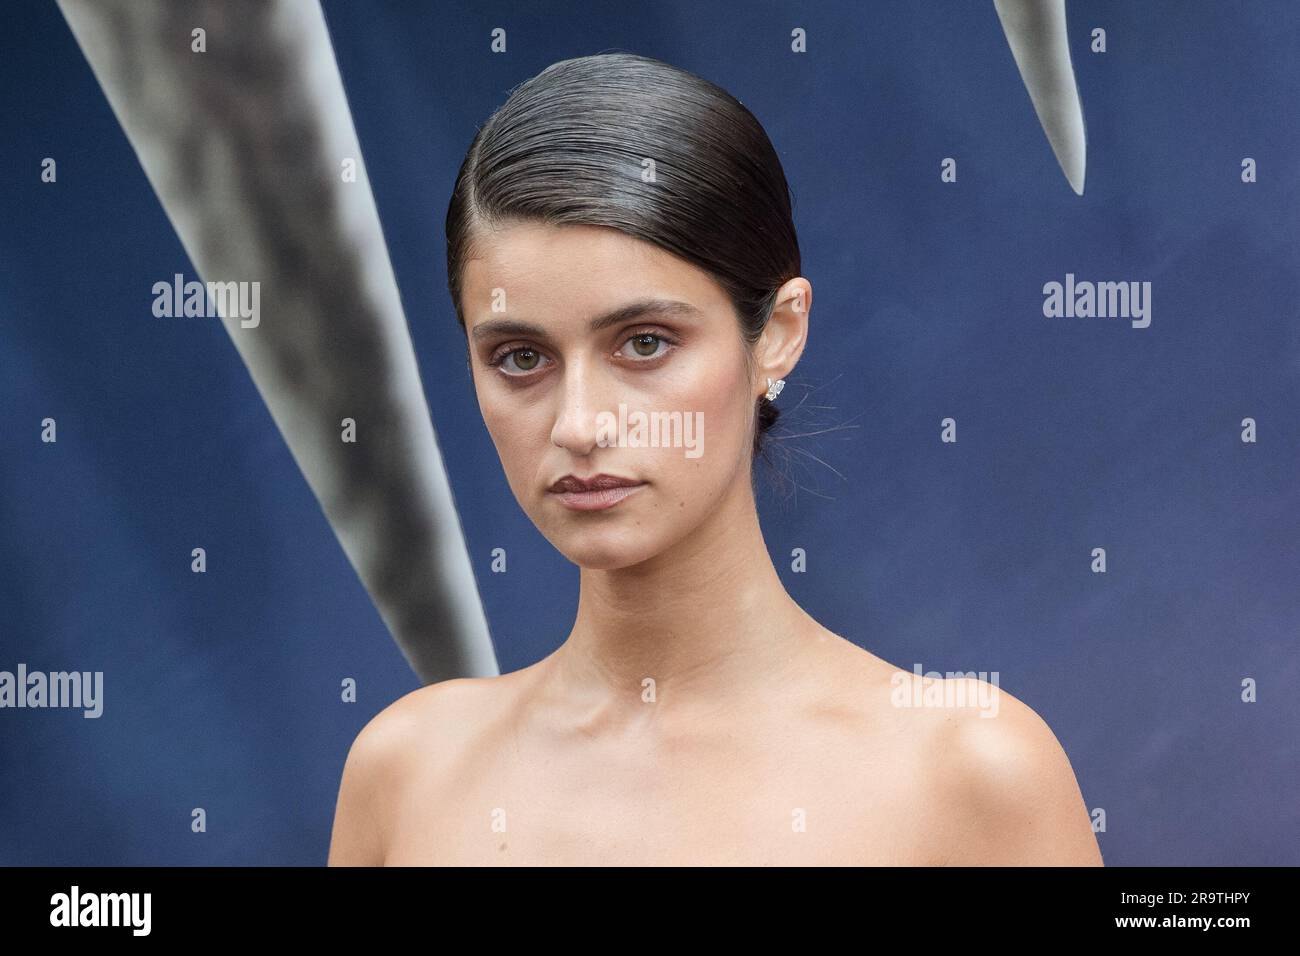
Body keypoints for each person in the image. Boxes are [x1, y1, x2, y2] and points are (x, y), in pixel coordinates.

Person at [328, 52, 1103, 866]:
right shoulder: (409, 772)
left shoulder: (970, 773)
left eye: (645, 343)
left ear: (777, 334)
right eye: (521, 357)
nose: (580, 424)